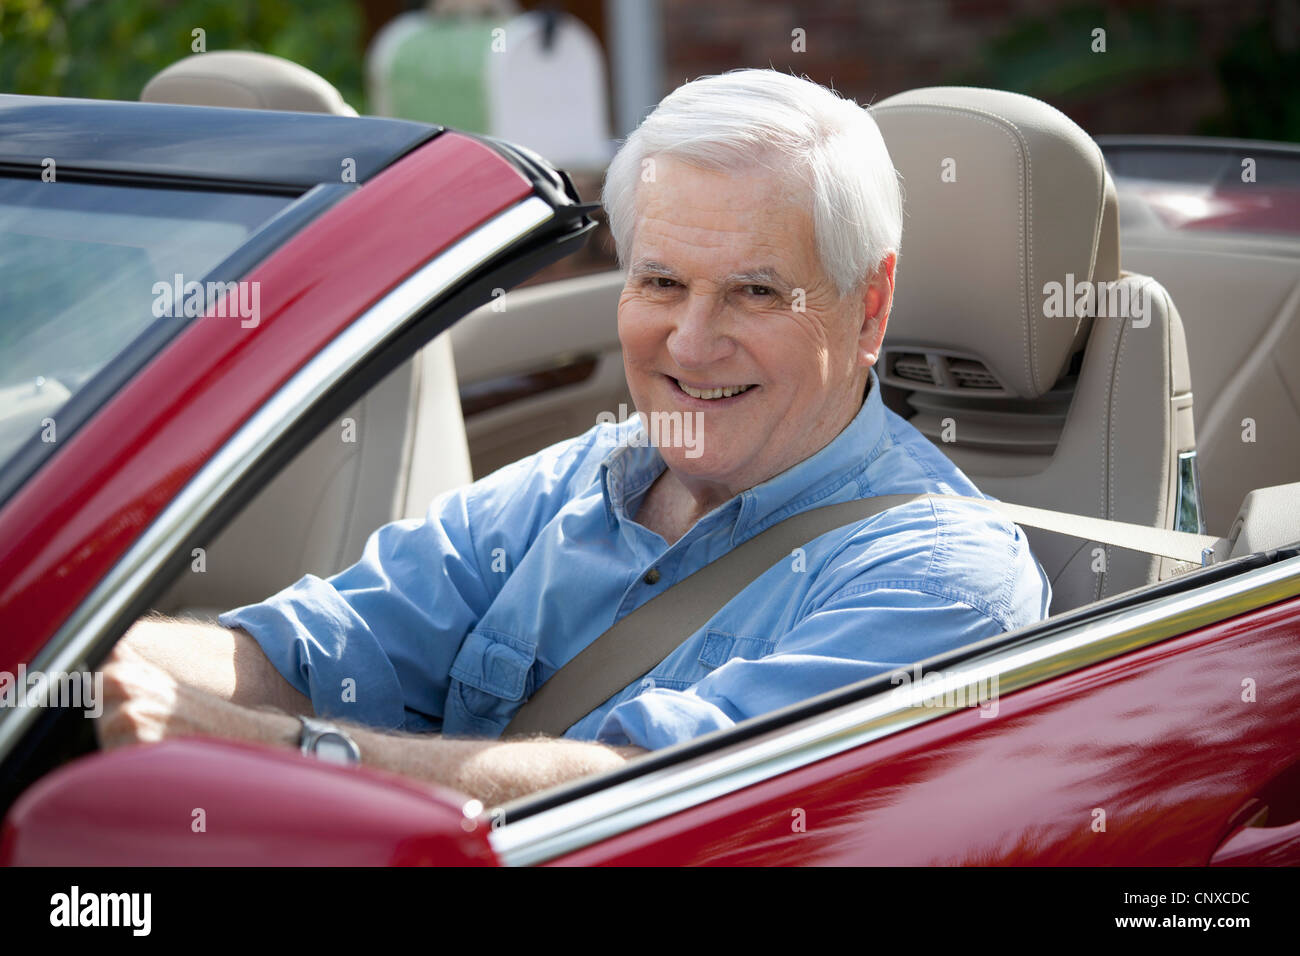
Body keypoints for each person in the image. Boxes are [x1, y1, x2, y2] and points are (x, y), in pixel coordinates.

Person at [96, 69, 1051, 807]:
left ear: (869, 307)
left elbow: (654, 794)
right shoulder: (575, 482)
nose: (690, 341)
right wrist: (71, 661)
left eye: (756, 291)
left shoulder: (942, 577)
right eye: (662, 282)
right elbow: (306, 652)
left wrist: (268, 748)